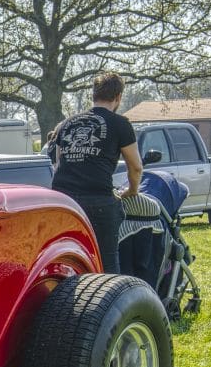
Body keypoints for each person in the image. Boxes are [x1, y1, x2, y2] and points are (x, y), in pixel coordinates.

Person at [49, 72, 142, 273]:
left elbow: (58, 164)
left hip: (63, 203)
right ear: (118, 97)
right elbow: (135, 166)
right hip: (99, 201)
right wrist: (132, 190)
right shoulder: (120, 124)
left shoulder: (67, 123)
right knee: (107, 266)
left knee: (68, 261)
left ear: (94, 95)